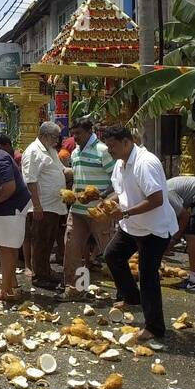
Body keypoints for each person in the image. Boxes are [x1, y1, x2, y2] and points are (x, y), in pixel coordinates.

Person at [101, 125, 178, 341]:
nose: (110, 151)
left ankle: (155, 327)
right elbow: (121, 191)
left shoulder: (145, 162)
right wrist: (107, 203)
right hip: (132, 225)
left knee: (148, 276)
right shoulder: (120, 163)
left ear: (127, 142)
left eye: (113, 146)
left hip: (154, 229)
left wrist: (124, 212)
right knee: (112, 255)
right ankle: (132, 297)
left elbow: (156, 199)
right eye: (108, 147)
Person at [61, 117, 117, 299]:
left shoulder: (103, 151)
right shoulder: (75, 152)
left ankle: (124, 290)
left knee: (109, 250)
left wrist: (103, 196)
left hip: (99, 211)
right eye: (73, 133)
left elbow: (117, 179)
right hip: (77, 210)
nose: (75, 137)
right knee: (72, 249)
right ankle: (77, 288)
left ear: (89, 131)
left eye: (78, 133)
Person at [0, 131, 32, 302]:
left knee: (7, 248)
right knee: (4, 247)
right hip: (3, 206)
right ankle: (11, 284)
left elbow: (9, 187)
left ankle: (6, 290)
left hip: (13, 205)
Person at [21, 122, 67, 290]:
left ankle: (45, 270)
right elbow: (30, 180)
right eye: (55, 137)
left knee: (48, 241)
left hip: (55, 205)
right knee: (40, 242)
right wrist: (37, 205)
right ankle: (39, 276)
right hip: (42, 206)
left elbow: (62, 171)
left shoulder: (51, 151)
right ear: (45, 135)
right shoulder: (33, 151)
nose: (57, 141)